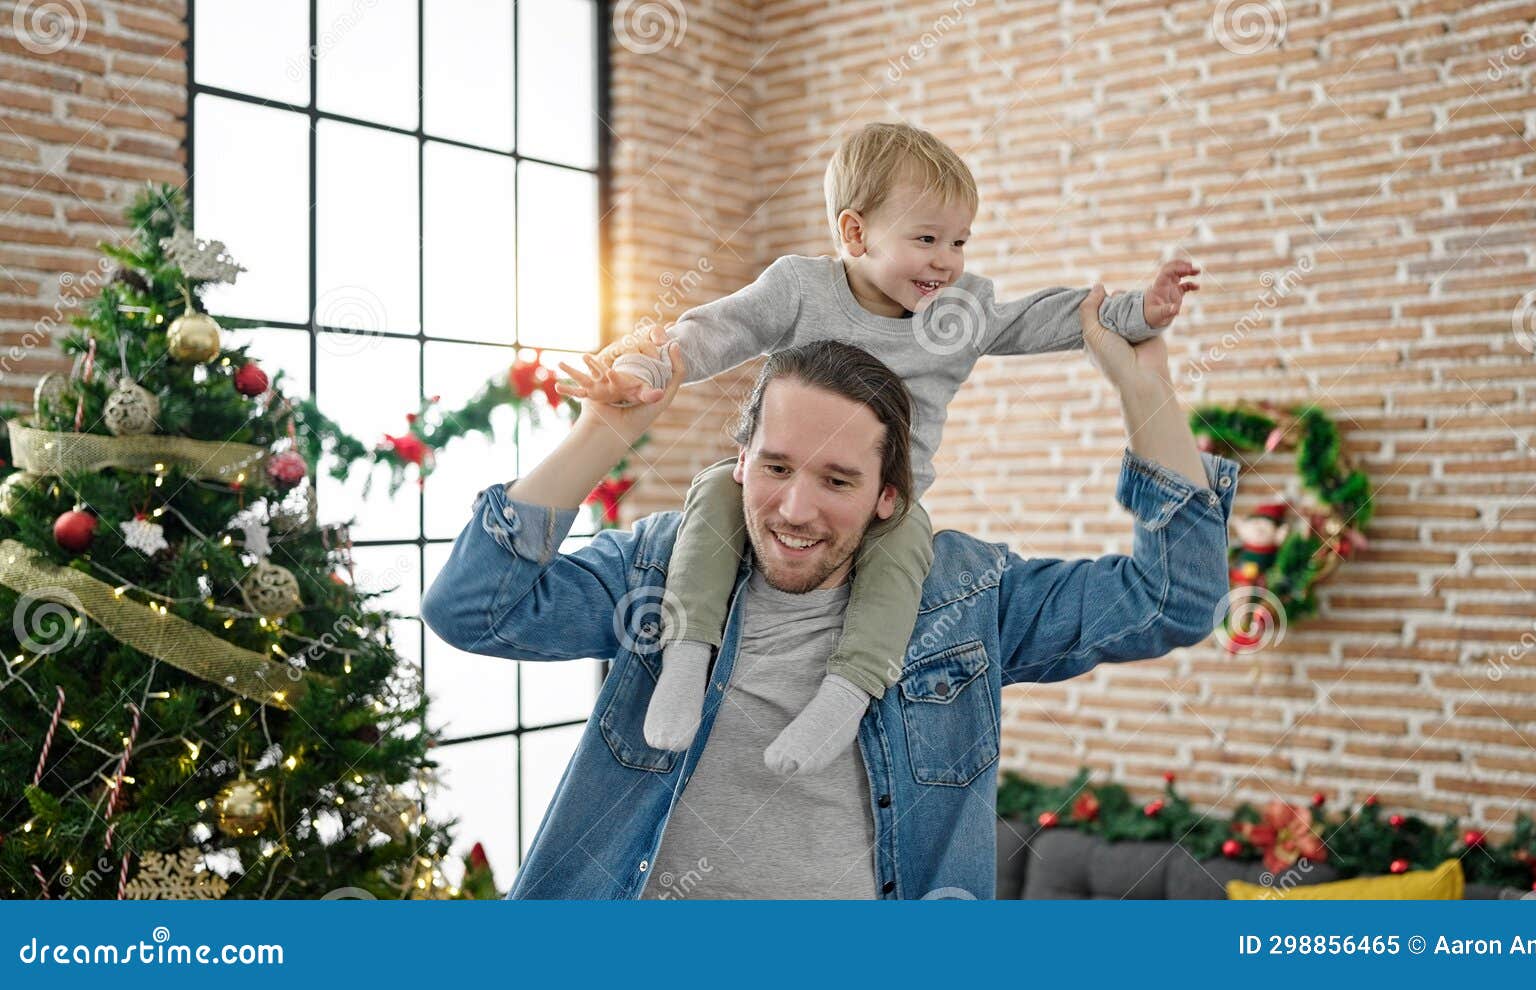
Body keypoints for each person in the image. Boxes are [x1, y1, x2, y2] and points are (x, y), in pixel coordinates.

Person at [421, 288, 1238, 899]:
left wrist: (1147, 392)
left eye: (838, 480)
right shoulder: (658, 568)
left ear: (890, 494)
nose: (796, 509)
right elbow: (473, 608)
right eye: (775, 467)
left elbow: (1171, 599)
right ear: (741, 459)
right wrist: (603, 431)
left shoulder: (964, 598)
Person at [557, 121, 1202, 778]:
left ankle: (847, 693)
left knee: (901, 560)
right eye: (925, 239)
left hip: (886, 502)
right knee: (711, 498)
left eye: (958, 241)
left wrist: (1138, 312)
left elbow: (1041, 321)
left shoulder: (959, 310)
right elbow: (710, 333)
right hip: (769, 481)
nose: (946, 260)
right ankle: (687, 654)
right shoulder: (800, 289)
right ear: (856, 233)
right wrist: (641, 372)